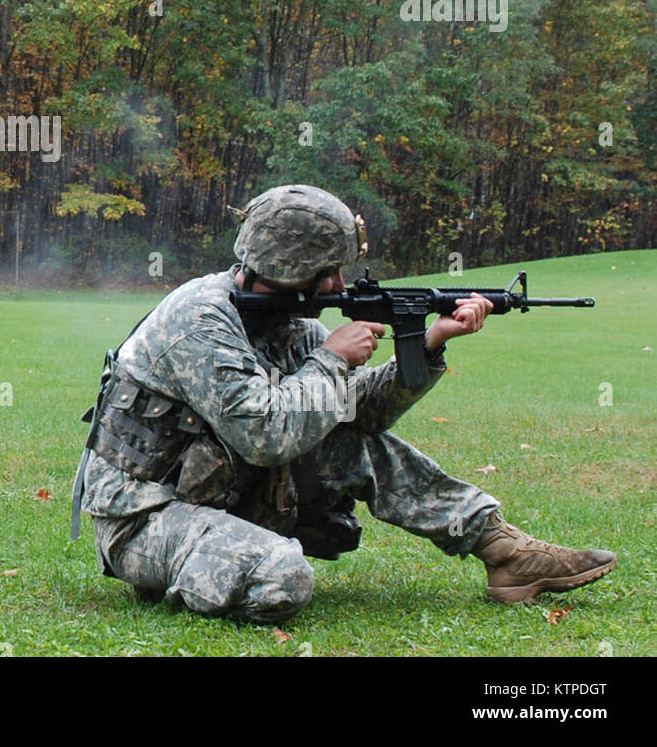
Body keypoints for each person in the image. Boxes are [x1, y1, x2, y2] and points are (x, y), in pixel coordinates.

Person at [72, 184, 616, 622]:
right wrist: (331, 359)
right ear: (286, 263)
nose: (339, 282)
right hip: (144, 515)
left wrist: (430, 343)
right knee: (282, 578)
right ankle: (186, 563)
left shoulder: (289, 320)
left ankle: (507, 552)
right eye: (328, 268)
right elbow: (264, 435)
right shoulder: (199, 319)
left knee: (357, 444)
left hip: (216, 490)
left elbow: (354, 415)